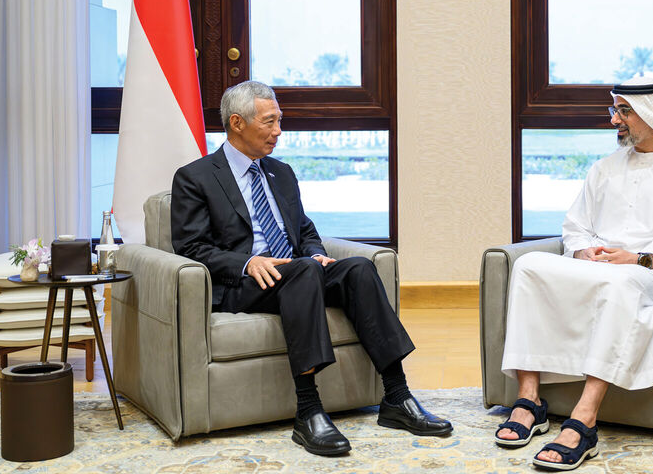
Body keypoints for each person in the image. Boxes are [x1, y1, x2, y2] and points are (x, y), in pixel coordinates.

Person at [171, 80, 451, 456]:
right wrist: (248, 262)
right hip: (243, 282)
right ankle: (308, 410)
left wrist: (316, 252)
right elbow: (191, 247)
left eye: (279, 121)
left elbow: (302, 228)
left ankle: (397, 397)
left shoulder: (280, 172)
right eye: (269, 122)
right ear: (237, 123)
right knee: (302, 272)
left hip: (297, 271)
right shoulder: (196, 177)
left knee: (359, 269)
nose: (278, 132)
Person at [494, 77, 653, 471]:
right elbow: (575, 226)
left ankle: (584, 420)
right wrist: (584, 250)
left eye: (624, 111)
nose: (615, 120)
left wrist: (639, 258)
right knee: (528, 265)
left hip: (651, 275)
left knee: (621, 283)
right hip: (595, 269)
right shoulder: (604, 169)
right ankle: (530, 398)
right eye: (614, 110)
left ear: (652, 115)